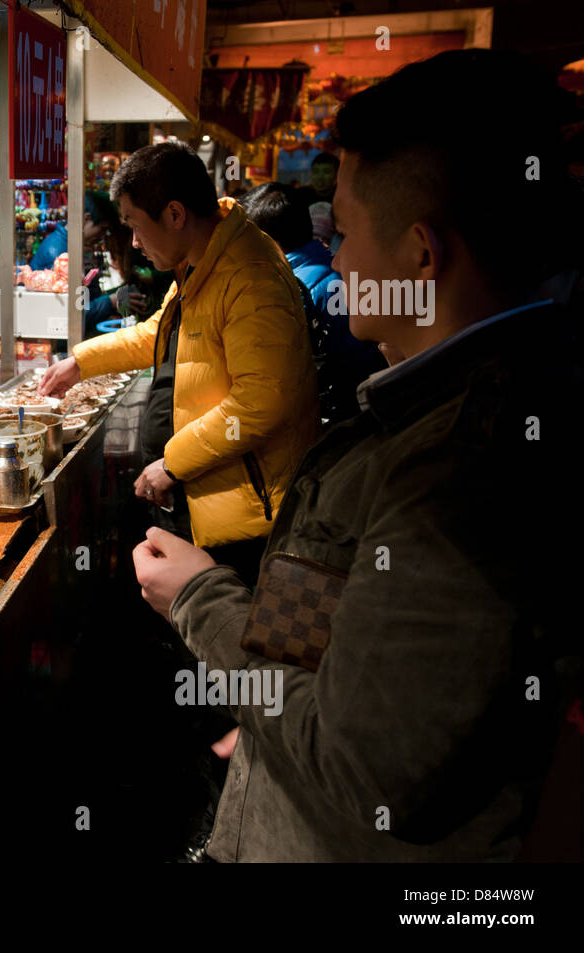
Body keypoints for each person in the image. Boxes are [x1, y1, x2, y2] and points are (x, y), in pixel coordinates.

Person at [132, 49, 581, 861]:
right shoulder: (415, 413)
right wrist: (262, 710)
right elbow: (327, 644)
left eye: (344, 231)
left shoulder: (463, 464)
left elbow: (362, 764)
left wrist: (201, 598)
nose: (335, 262)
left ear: (419, 254)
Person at [40, 142, 320, 586]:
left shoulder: (247, 276)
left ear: (174, 215)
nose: (132, 241)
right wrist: (81, 362)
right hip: (208, 497)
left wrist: (173, 463)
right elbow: (161, 332)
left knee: (220, 636)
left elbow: (262, 402)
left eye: (135, 225)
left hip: (244, 518)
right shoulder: (204, 258)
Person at [240, 182, 385, 424]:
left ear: (266, 241)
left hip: (328, 417)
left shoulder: (286, 288)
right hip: (366, 408)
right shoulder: (335, 265)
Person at [29, 190, 118, 271]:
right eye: (102, 229)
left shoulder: (69, 245)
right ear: (86, 219)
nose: (102, 235)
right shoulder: (58, 253)